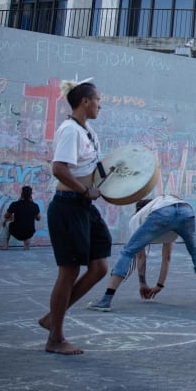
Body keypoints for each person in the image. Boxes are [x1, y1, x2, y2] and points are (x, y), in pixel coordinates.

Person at [38, 79, 111, 356]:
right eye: (98, 100)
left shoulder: (87, 130)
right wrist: (84, 191)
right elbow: (58, 168)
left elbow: (91, 167)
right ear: (85, 102)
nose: (100, 105)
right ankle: (55, 338)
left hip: (83, 206)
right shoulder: (70, 130)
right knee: (69, 272)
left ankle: (51, 317)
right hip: (69, 205)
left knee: (100, 267)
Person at [89, 194, 196, 311]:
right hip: (186, 210)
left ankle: (106, 299)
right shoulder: (162, 204)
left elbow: (140, 256)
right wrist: (159, 285)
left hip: (163, 212)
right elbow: (167, 257)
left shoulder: (137, 218)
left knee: (127, 252)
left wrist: (142, 283)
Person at [0, 185, 41, 250]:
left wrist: (11, 217)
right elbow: (38, 218)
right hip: (29, 233)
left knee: (6, 222)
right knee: (28, 224)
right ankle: (26, 245)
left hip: (17, 232)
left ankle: (5, 245)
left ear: (21, 194)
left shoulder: (15, 204)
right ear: (31, 195)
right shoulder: (35, 205)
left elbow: (6, 216)